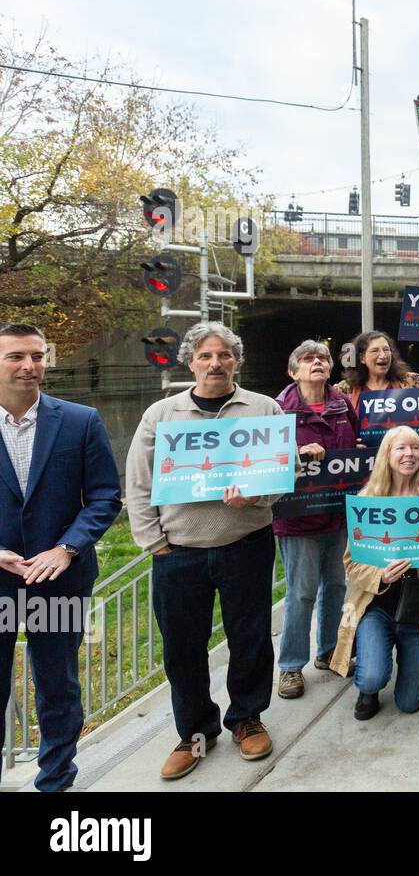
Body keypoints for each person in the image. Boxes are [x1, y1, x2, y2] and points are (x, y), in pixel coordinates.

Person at [125, 322, 288, 780]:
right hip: (178, 551)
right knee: (183, 649)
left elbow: (284, 470)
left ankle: (246, 718)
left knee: (251, 638)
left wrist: (255, 494)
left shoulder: (264, 408)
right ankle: (196, 733)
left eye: (224, 355)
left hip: (246, 545)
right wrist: (153, 542)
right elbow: (138, 482)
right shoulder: (162, 414)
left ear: (236, 360)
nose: (215, 363)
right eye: (205, 356)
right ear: (191, 362)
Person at [0, 322, 120, 792]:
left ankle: (55, 781)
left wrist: (66, 548)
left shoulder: (79, 420)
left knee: (56, 686)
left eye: (37, 355)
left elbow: (106, 497)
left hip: (57, 580)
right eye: (16, 356)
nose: (29, 366)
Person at [331, 425, 419, 719]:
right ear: (387, 455)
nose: (409, 454)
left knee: (410, 703)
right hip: (377, 605)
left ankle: (417, 660)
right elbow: (351, 564)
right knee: (373, 676)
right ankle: (368, 688)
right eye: (400, 448)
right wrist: (381, 576)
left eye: (414, 447)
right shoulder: (368, 498)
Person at [272, 340, 358, 700]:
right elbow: (264, 459)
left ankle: (328, 651)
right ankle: (291, 666)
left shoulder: (341, 406)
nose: (317, 363)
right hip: (298, 520)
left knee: (336, 587)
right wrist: (295, 454)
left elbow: (356, 446)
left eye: (322, 358)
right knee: (301, 592)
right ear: (294, 372)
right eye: (307, 359)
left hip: (337, 513)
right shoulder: (277, 411)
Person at [336, 329, 416, 411]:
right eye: (375, 351)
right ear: (362, 358)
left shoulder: (412, 381)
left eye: (386, 349)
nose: (383, 355)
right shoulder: (345, 389)